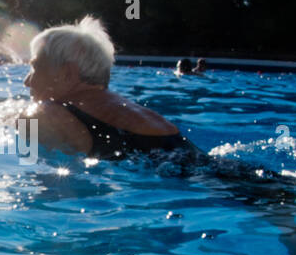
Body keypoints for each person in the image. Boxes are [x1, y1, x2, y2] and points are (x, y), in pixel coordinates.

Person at [22, 16, 199, 160]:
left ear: (67, 73)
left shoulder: (44, 115)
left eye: (35, 68)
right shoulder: (140, 115)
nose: (27, 81)